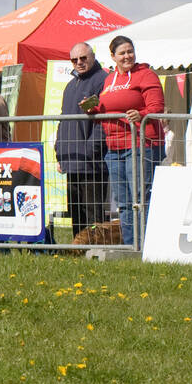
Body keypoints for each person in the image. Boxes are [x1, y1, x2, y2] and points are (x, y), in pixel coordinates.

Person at [81, 36, 165, 246]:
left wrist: (141, 113)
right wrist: (93, 108)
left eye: (130, 51)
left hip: (141, 144)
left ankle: (147, 246)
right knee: (124, 203)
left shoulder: (146, 75)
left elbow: (157, 106)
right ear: (113, 56)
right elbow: (108, 107)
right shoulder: (109, 80)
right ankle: (130, 245)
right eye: (122, 53)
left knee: (140, 198)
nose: (127, 56)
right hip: (114, 147)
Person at [55, 43, 110, 239]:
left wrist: (90, 149)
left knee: (93, 212)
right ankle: (78, 246)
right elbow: (63, 119)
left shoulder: (103, 80)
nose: (79, 62)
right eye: (74, 60)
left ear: (93, 56)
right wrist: (60, 152)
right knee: (76, 210)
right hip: (72, 158)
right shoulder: (70, 86)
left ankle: (95, 248)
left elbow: (103, 120)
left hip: (92, 161)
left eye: (83, 58)